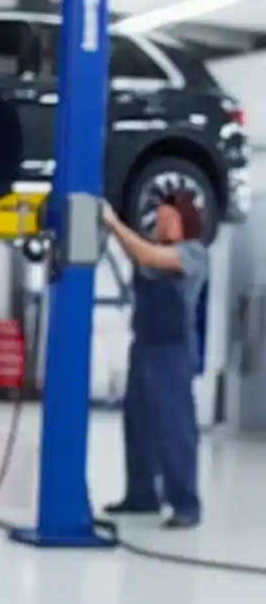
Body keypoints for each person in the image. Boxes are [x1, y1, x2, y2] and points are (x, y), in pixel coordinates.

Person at [101, 191, 209, 530]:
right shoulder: (150, 249)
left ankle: (185, 503)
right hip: (144, 346)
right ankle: (142, 495)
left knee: (174, 429)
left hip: (172, 352)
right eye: (158, 217)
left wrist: (112, 222)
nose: (159, 223)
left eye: (167, 217)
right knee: (138, 423)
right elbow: (136, 252)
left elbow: (144, 255)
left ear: (184, 219)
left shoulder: (194, 253)